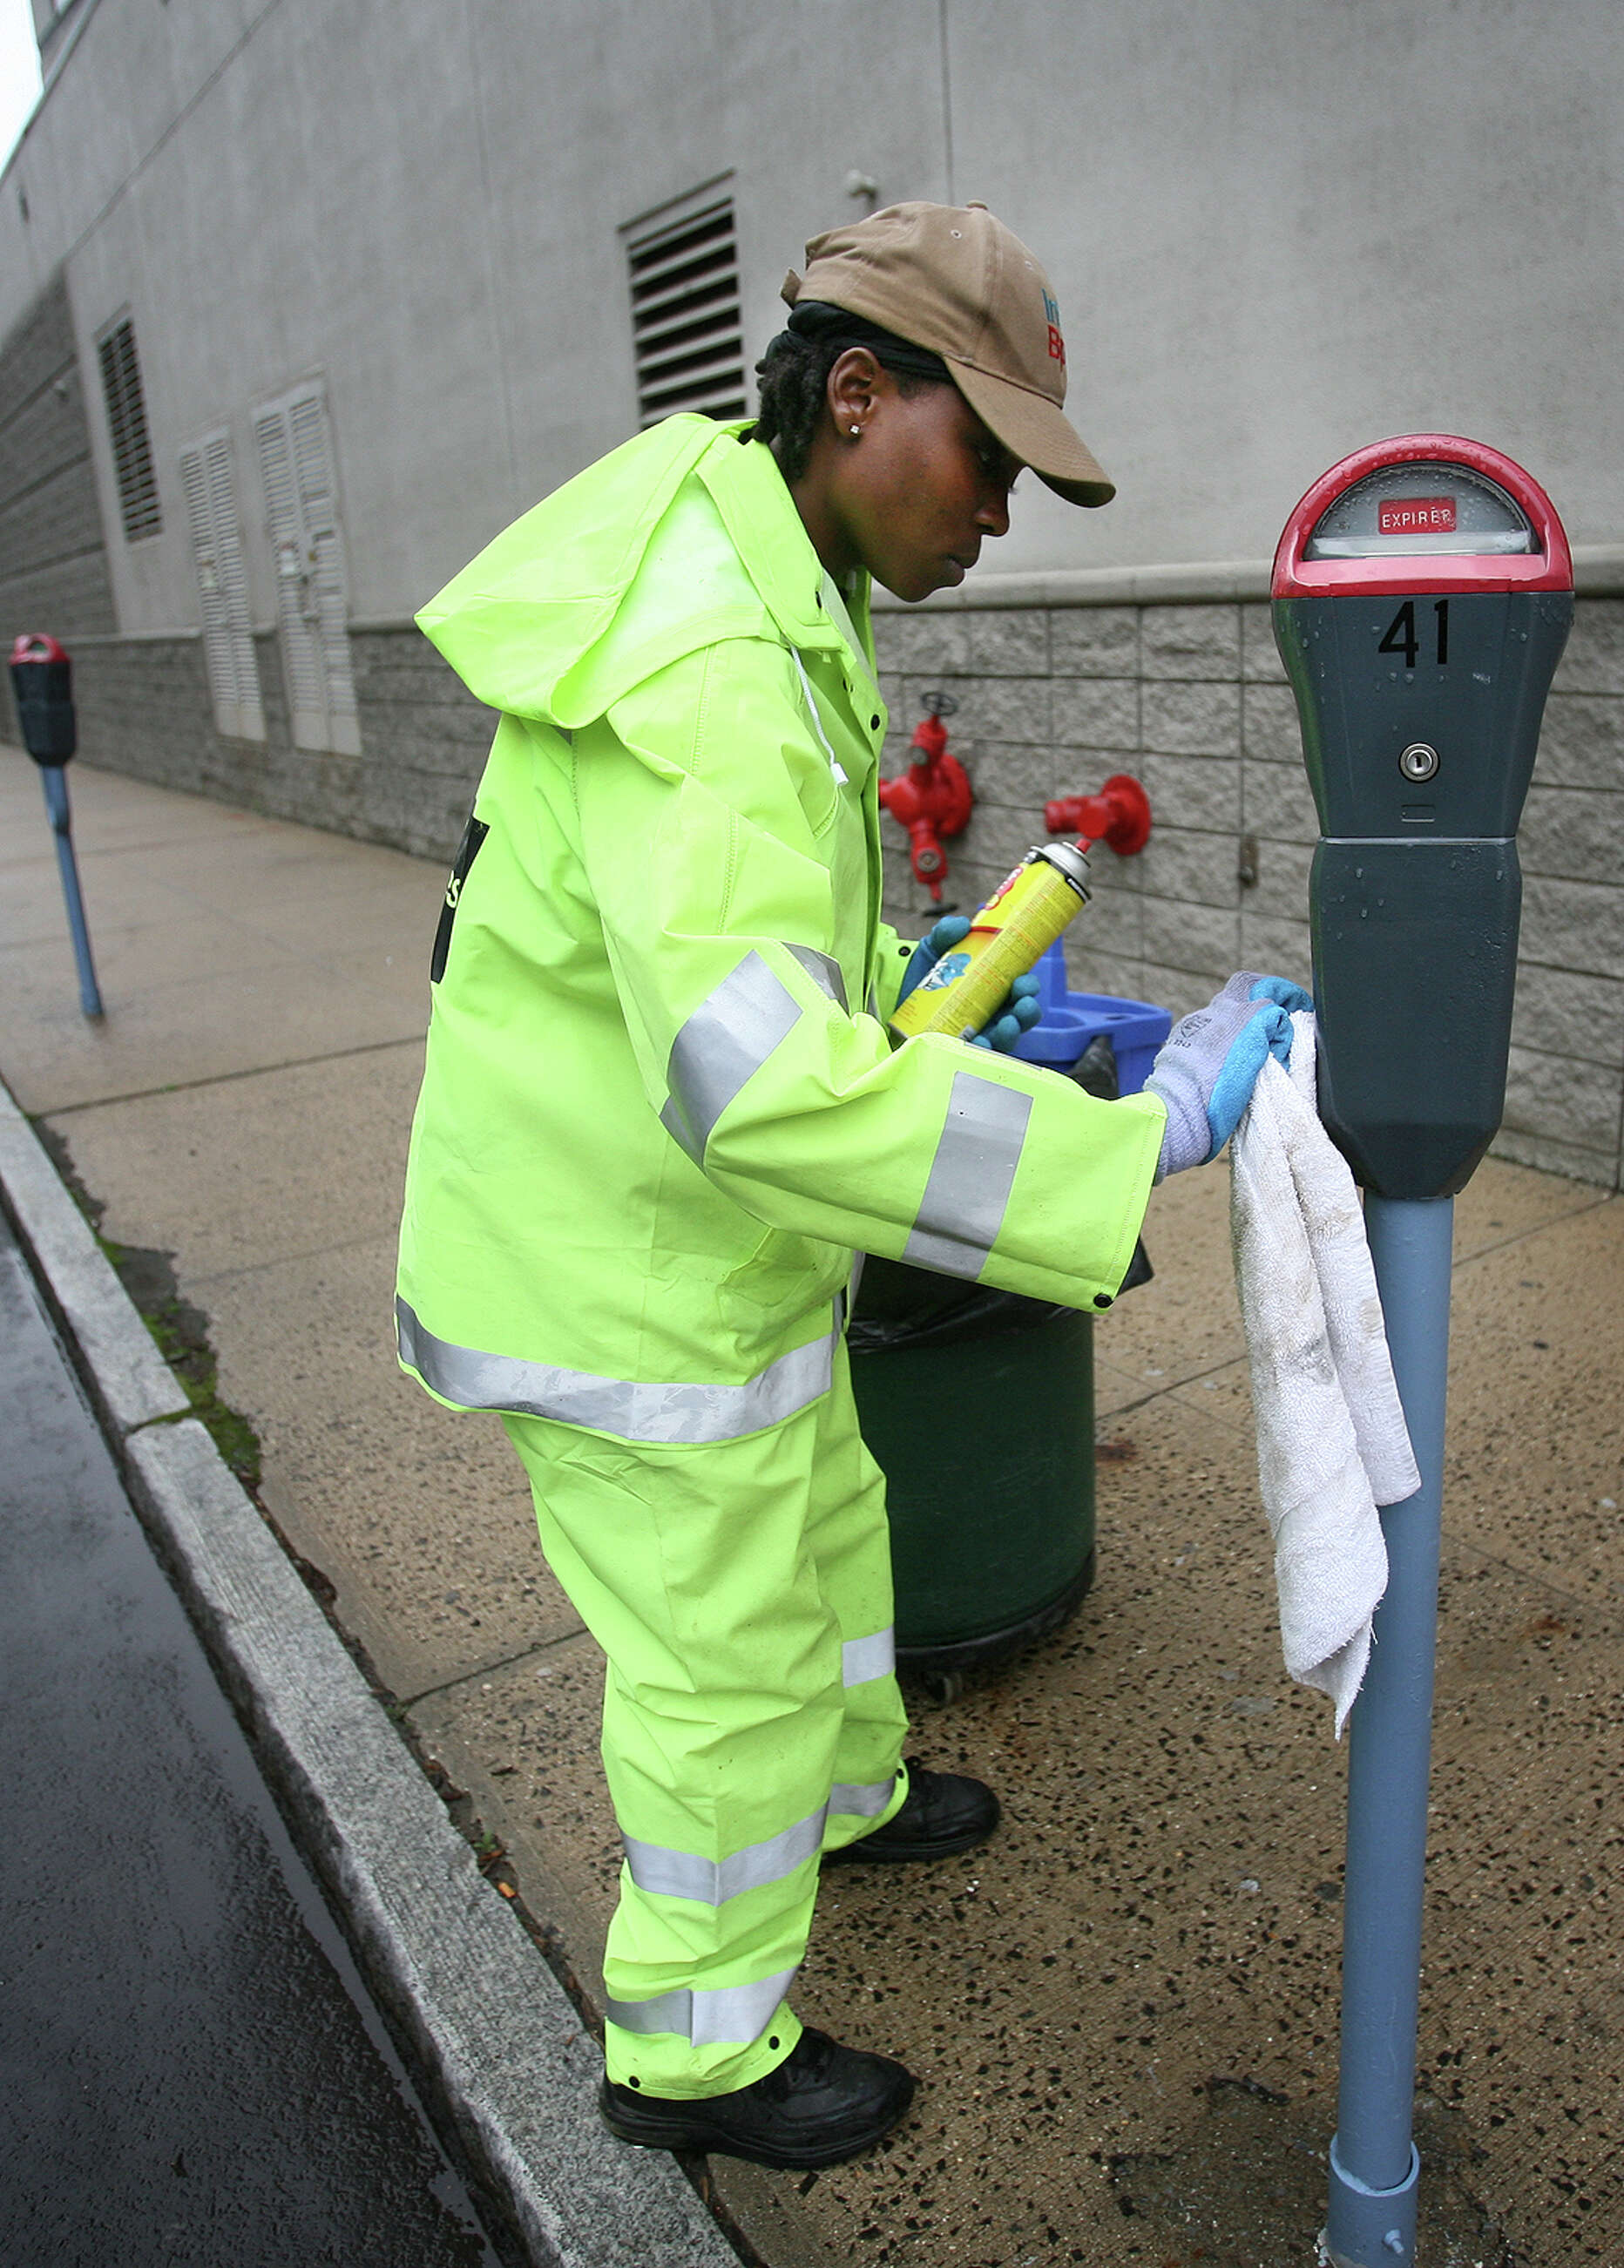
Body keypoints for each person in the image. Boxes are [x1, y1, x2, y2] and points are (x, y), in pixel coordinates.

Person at [396, 200, 1304, 2170]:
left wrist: (924, 982)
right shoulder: (718, 648)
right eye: (983, 455)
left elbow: (751, 981)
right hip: (619, 1276)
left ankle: (848, 1796)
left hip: (696, 1245)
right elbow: (759, 1083)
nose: (997, 513)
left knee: (828, 1520)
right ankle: (694, 2057)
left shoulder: (773, 576)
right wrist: (1147, 1141)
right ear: (859, 392)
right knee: (720, 1658)